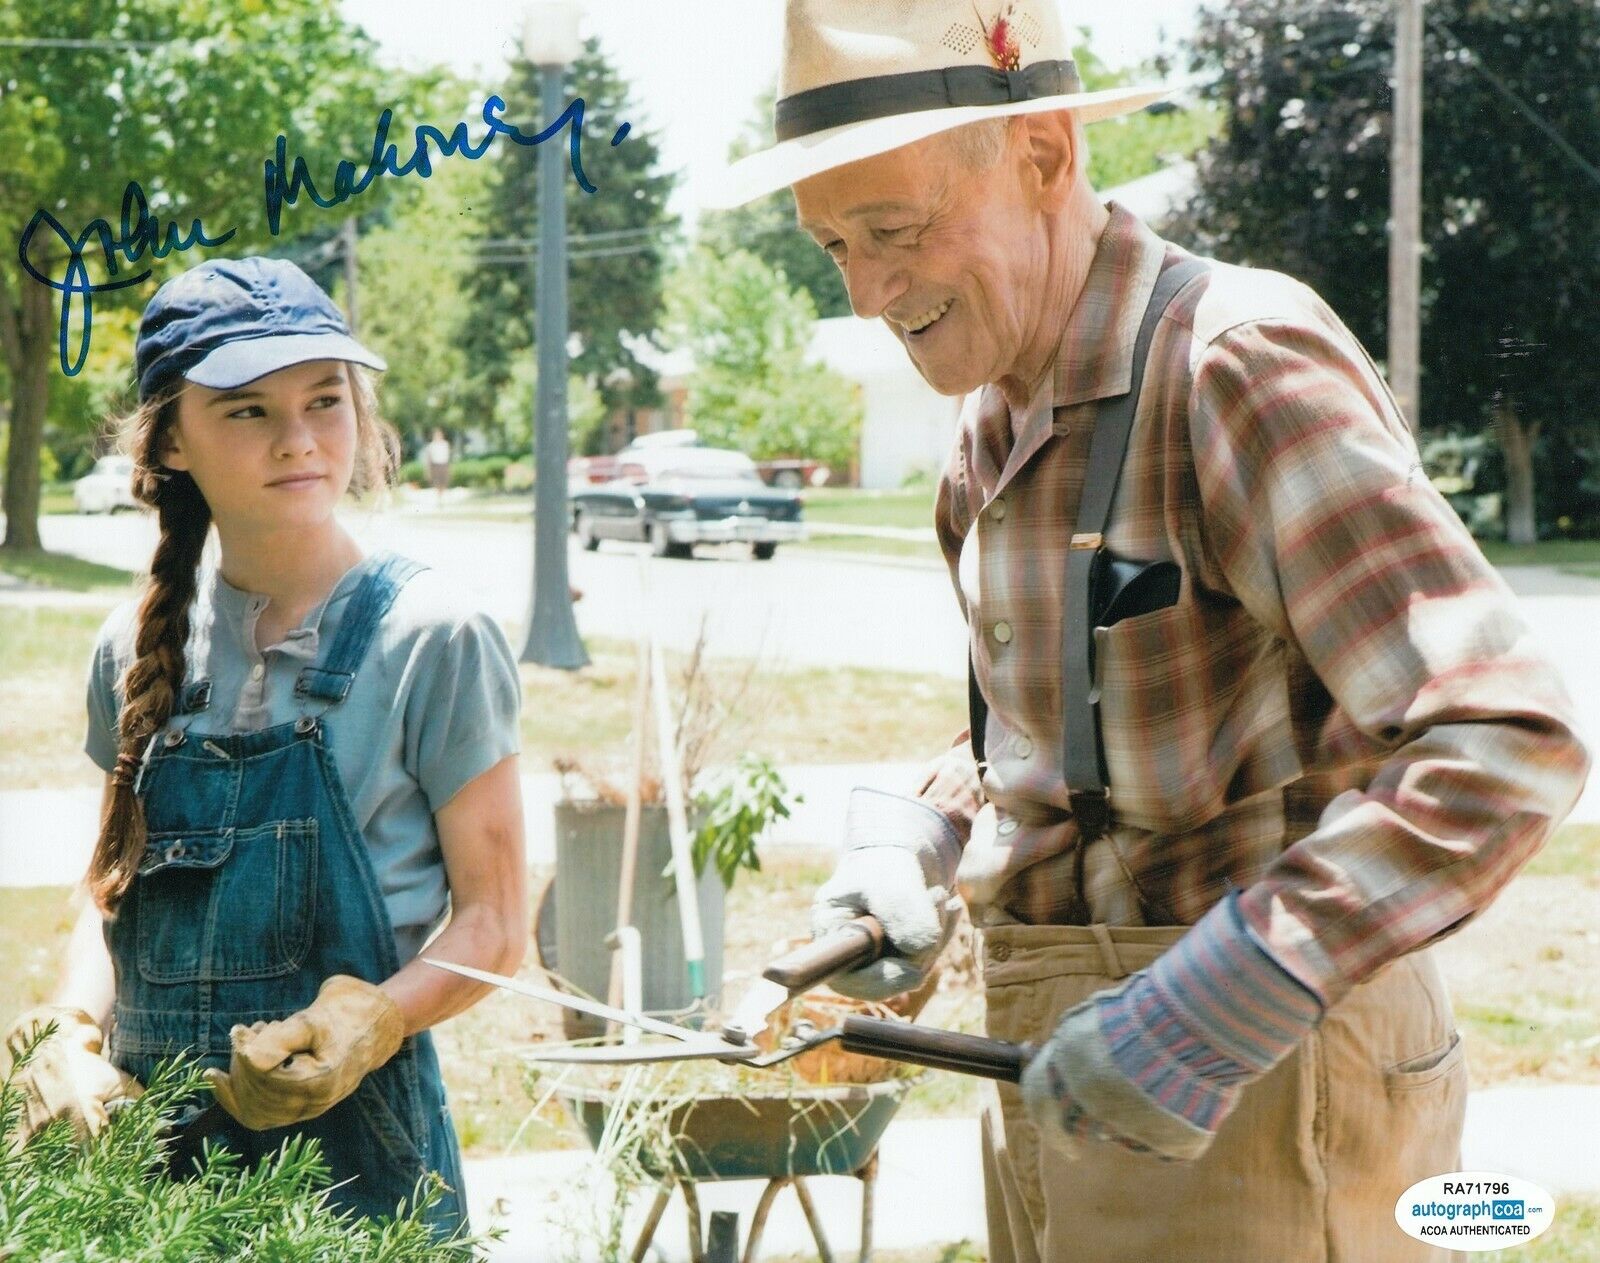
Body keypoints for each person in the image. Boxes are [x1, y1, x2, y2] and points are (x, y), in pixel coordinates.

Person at [710, 3, 1592, 1259]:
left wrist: (1225, 997)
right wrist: (921, 840)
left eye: (894, 233)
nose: (866, 294)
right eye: (832, 246)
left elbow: (1505, 742)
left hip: (1274, 1091)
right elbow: (1067, 729)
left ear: (1045, 154)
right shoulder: (986, 428)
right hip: (1067, 1084)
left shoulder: (1230, 363)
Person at [3, 258, 527, 1237]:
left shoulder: (432, 634)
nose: (299, 441)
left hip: (361, 1183)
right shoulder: (129, 649)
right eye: (246, 411)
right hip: (149, 1169)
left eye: (325, 402)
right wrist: (69, 1025)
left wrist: (373, 1021)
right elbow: (111, 886)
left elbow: (495, 929)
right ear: (172, 439)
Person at [425, 427, 452, 508]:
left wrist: (448, 467)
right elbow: (429, 459)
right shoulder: (431, 445)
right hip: (435, 465)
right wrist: (428, 470)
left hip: (443, 465)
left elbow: (448, 457)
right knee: (437, 482)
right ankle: (439, 498)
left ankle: (442, 497)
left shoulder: (445, 444)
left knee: (444, 482)